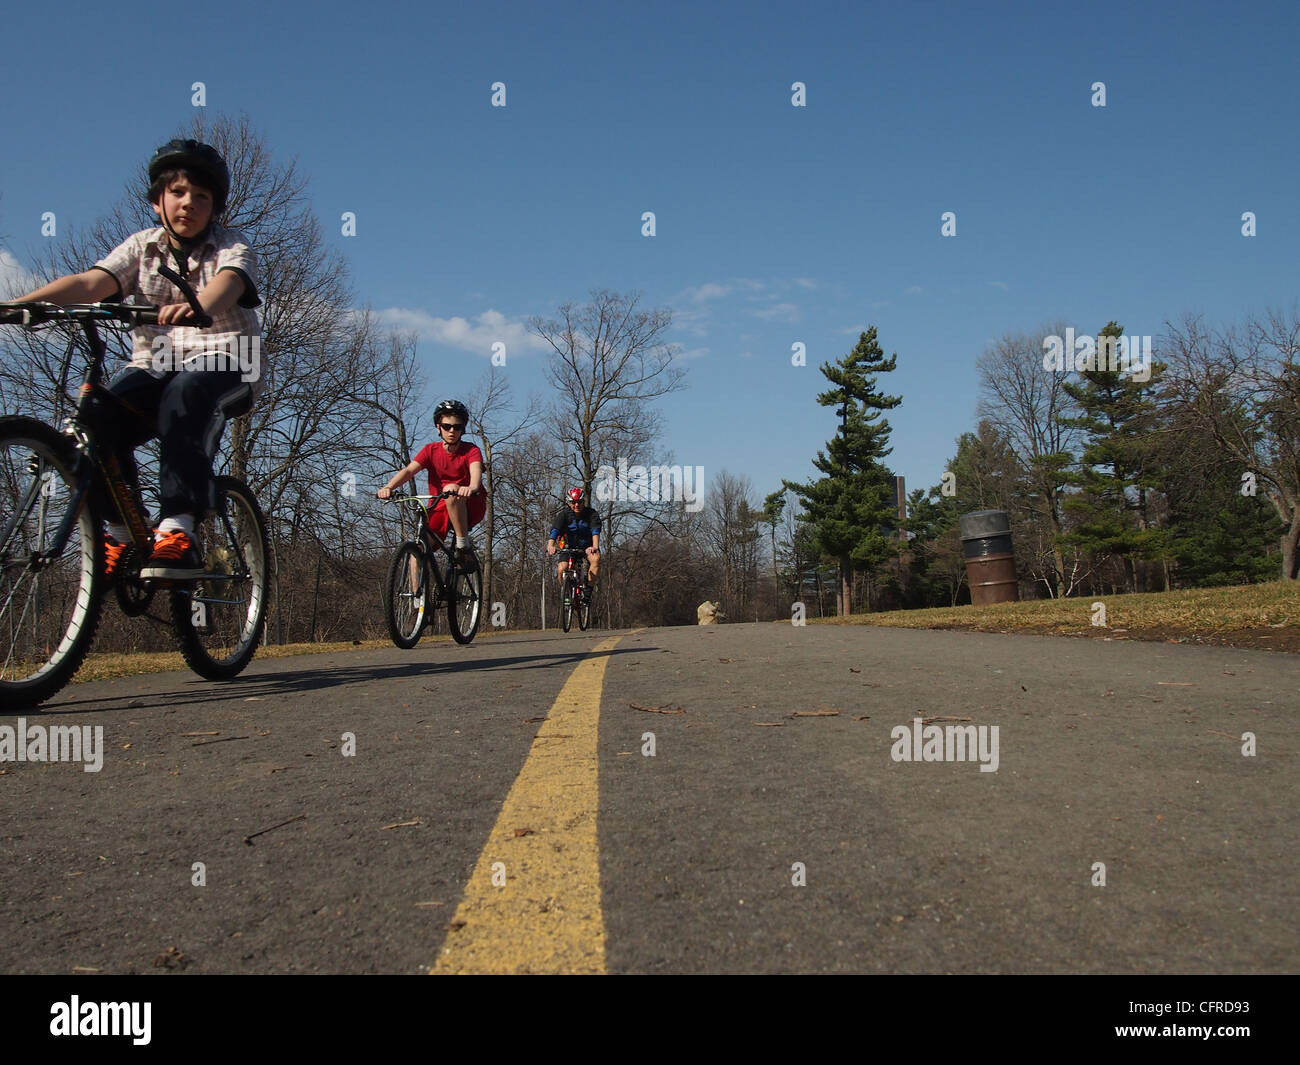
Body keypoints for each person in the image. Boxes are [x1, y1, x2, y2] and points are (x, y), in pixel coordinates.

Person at [8, 138, 261, 581]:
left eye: (202, 197)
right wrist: (21, 305)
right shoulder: (141, 247)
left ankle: (180, 526)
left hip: (228, 359)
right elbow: (90, 284)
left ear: (215, 208)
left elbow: (230, 283)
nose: (189, 204)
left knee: (186, 393)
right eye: (178, 193)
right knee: (97, 419)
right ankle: (122, 530)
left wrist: (199, 303)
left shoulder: (230, 244)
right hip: (155, 363)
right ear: (156, 201)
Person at [377, 399, 483, 570]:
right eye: (447, 426)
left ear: (462, 429)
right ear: (438, 427)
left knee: (450, 489)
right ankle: (417, 596)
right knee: (417, 550)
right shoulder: (430, 450)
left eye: (457, 427)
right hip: (439, 507)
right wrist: (389, 487)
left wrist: (471, 487)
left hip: (470, 504)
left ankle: (463, 546)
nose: (452, 431)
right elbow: (409, 471)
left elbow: (476, 471)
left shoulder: (471, 450)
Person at [547, 487, 601, 601]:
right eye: (573, 502)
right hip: (568, 547)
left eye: (579, 502)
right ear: (569, 502)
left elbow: (595, 530)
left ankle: (588, 591)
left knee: (596, 559)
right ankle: (566, 594)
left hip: (587, 547)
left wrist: (594, 547)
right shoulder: (564, 515)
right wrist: (550, 545)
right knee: (562, 569)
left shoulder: (591, 514)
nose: (576, 505)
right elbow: (555, 530)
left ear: (583, 502)